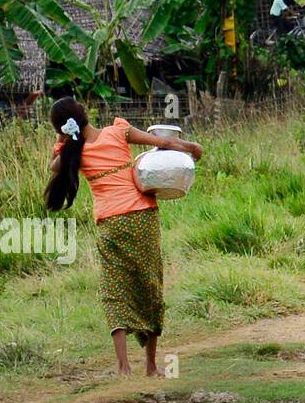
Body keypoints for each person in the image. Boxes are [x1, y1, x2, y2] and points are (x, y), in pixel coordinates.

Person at [45, 97, 202, 377]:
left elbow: (52, 167)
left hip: (109, 223)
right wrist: (191, 148)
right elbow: (163, 143)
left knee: (114, 289)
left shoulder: (74, 151)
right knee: (149, 284)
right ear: (85, 113)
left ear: (63, 128)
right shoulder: (118, 131)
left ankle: (123, 367)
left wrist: (62, 140)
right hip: (141, 217)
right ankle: (151, 367)